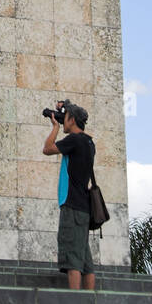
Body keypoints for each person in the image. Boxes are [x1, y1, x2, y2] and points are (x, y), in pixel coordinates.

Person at [43, 99, 96, 290]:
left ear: (72, 120)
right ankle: (91, 303)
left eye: (65, 118)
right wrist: (64, 107)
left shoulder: (74, 140)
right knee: (86, 262)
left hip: (72, 206)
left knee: (73, 259)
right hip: (83, 208)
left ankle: (76, 303)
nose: (63, 121)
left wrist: (55, 127)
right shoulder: (89, 143)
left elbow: (47, 149)